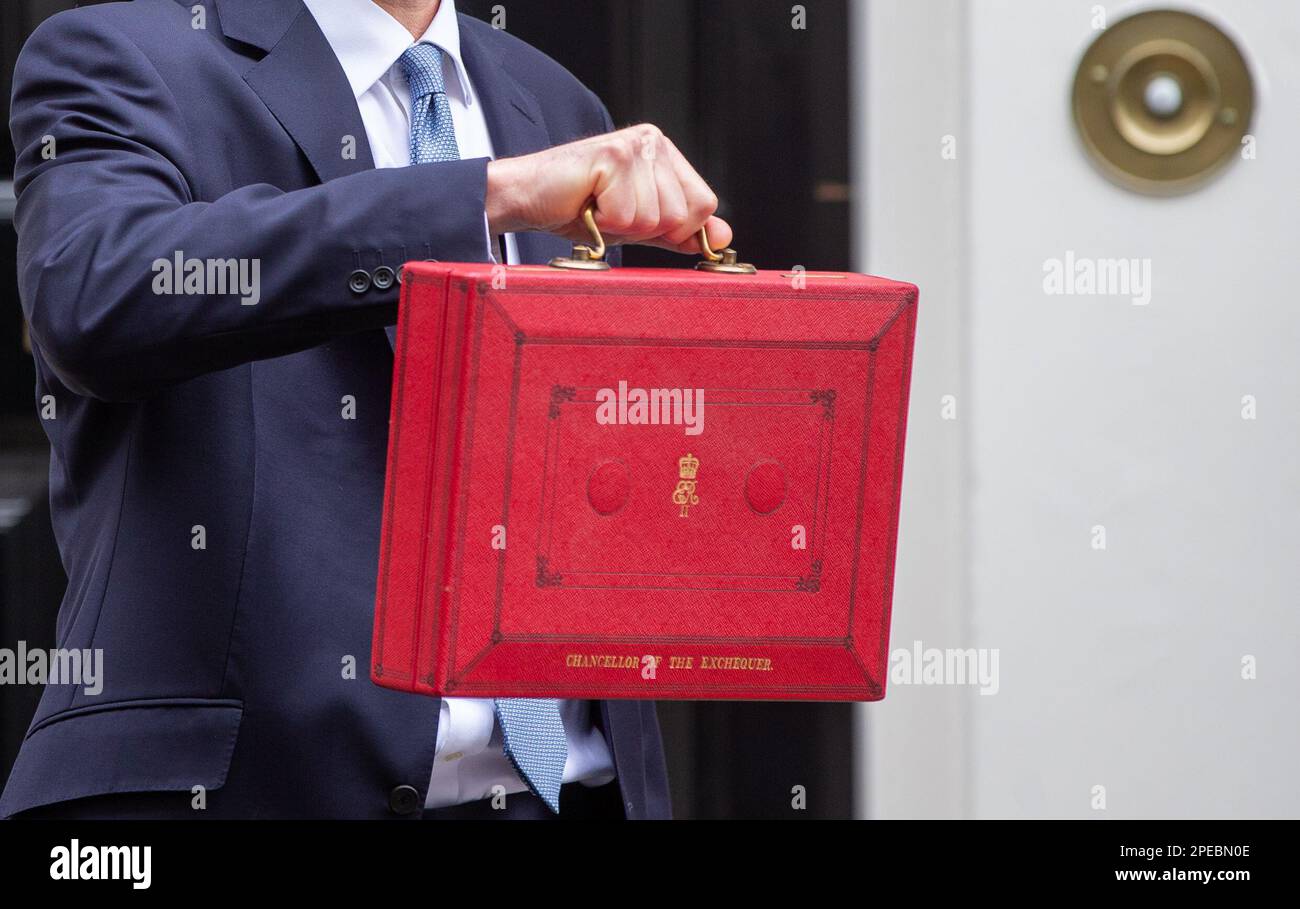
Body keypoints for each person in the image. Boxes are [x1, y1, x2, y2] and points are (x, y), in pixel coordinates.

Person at [1, 0, 731, 820]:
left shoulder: (555, 103)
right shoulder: (122, 52)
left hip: (569, 791)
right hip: (246, 790)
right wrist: (484, 196)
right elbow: (96, 298)